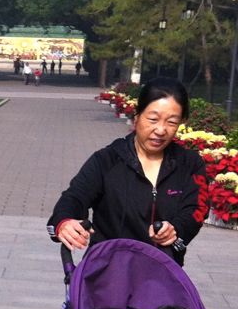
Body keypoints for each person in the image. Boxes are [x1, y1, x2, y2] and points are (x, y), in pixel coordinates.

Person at [49, 77, 207, 267]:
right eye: (153, 119)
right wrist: (64, 222)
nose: (161, 130)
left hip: (163, 277)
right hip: (107, 274)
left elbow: (197, 209)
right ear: (137, 116)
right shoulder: (106, 160)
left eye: (172, 122)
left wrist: (177, 229)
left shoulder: (189, 164)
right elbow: (74, 197)